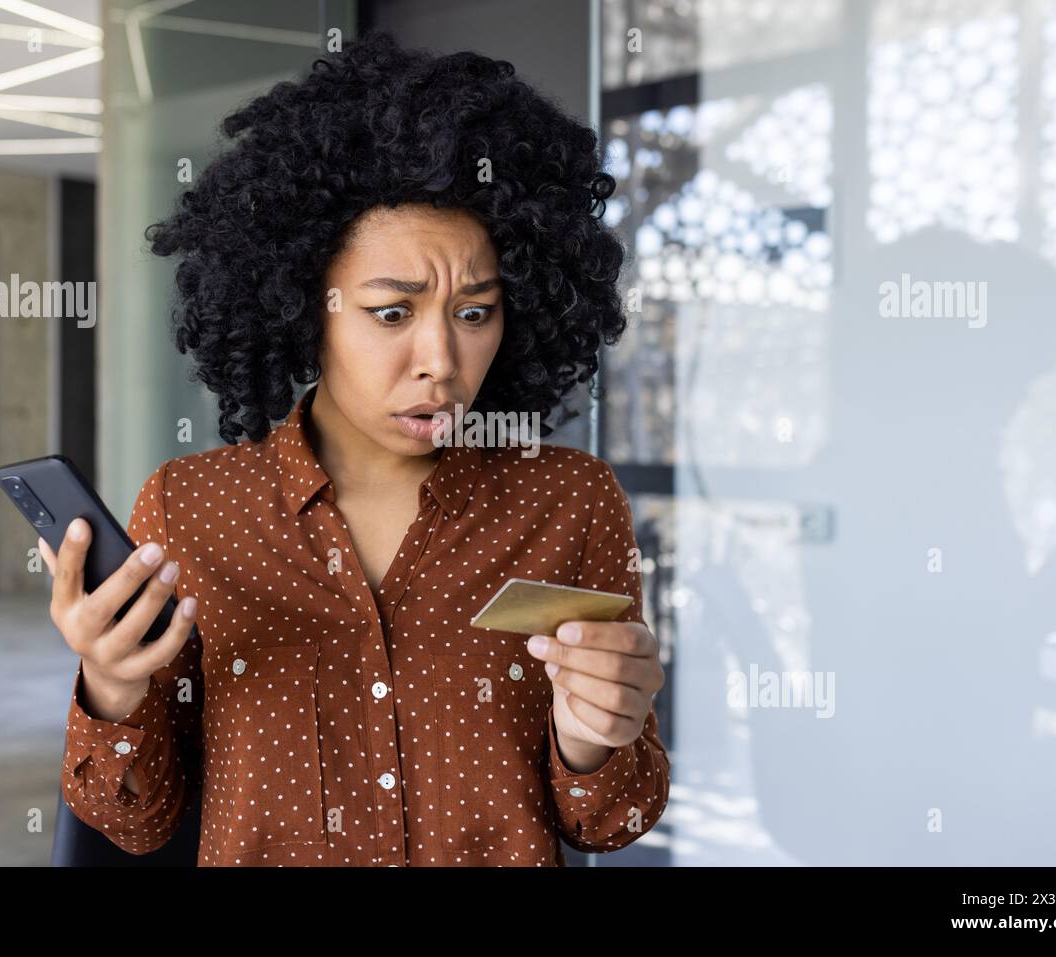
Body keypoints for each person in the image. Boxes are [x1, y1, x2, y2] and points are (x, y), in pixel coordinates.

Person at [41, 30, 669, 866]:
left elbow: (611, 819)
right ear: (308, 304)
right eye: (392, 312)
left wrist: (595, 734)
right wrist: (111, 686)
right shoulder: (191, 512)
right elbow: (135, 823)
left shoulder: (567, 506)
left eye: (474, 312)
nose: (441, 360)